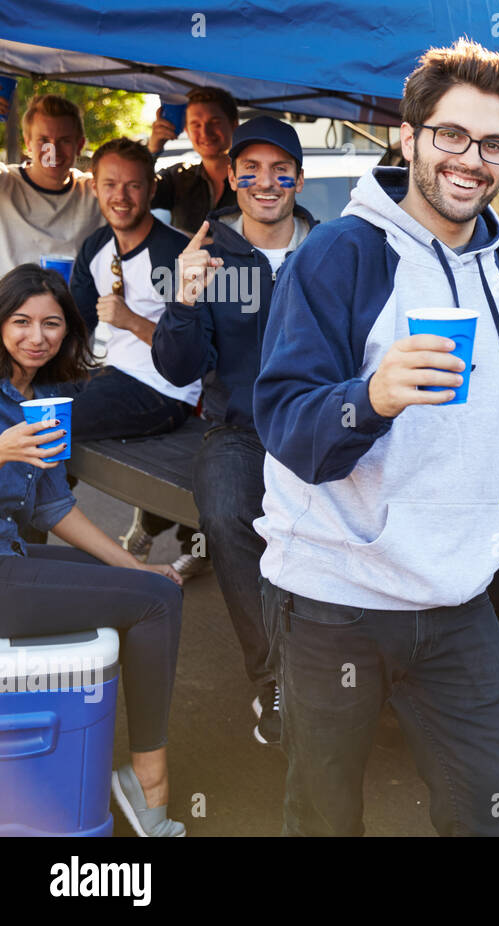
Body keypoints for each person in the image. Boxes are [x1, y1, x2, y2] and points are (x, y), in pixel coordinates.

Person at [253, 38, 499, 836]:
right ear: (411, 137)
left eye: (492, 143)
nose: (471, 159)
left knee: (495, 814)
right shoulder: (339, 256)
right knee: (324, 817)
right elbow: (289, 427)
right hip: (335, 599)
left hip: (459, 600)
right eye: (451, 135)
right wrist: (372, 398)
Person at [0, 263, 185, 836]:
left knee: (156, 590)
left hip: (11, 560)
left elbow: (53, 507)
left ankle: (137, 775)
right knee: (155, 605)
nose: (37, 337)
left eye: (51, 324)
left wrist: (134, 566)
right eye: (21, 321)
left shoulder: (39, 396)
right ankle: (148, 784)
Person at [153, 115, 317, 746]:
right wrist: (184, 299)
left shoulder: (330, 250)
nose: (265, 182)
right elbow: (178, 368)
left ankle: (351, 666)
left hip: (321, 426)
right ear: (232, 176)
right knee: (224, 513)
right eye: (251, 170)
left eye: (281, 170)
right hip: (240, 431)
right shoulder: (205, 256)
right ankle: (275, 678)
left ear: (299, 179)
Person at [66, 137, 203, 576]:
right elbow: (75, 326)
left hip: (163, 389)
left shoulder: (174, 254)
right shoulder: (95, 247)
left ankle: (86, 555)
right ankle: (29, 536)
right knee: (24, 406)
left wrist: (130, 321)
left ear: (149, 189)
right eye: (110, 184)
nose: (120, 197)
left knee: (48, 427)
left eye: (133, 186)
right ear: (94, 188)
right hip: (109, 374)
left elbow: (192, 353)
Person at [0, 94, 102, 275]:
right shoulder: (5, 182)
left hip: (74, 303)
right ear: (28, 143)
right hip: (11, 302)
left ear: (79, 145)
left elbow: (136, 190)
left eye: (64, 141)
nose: (53, 151)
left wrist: (154, 149)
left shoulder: (95, 192)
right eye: (44, 140)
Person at [146, 87, 239, 235]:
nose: (205, 132)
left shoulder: (252, 180)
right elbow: (136, 196)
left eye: (214, 122)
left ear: (234, 125)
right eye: (196, 124)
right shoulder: (177, 177)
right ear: (187, 130)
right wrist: (152, 150)